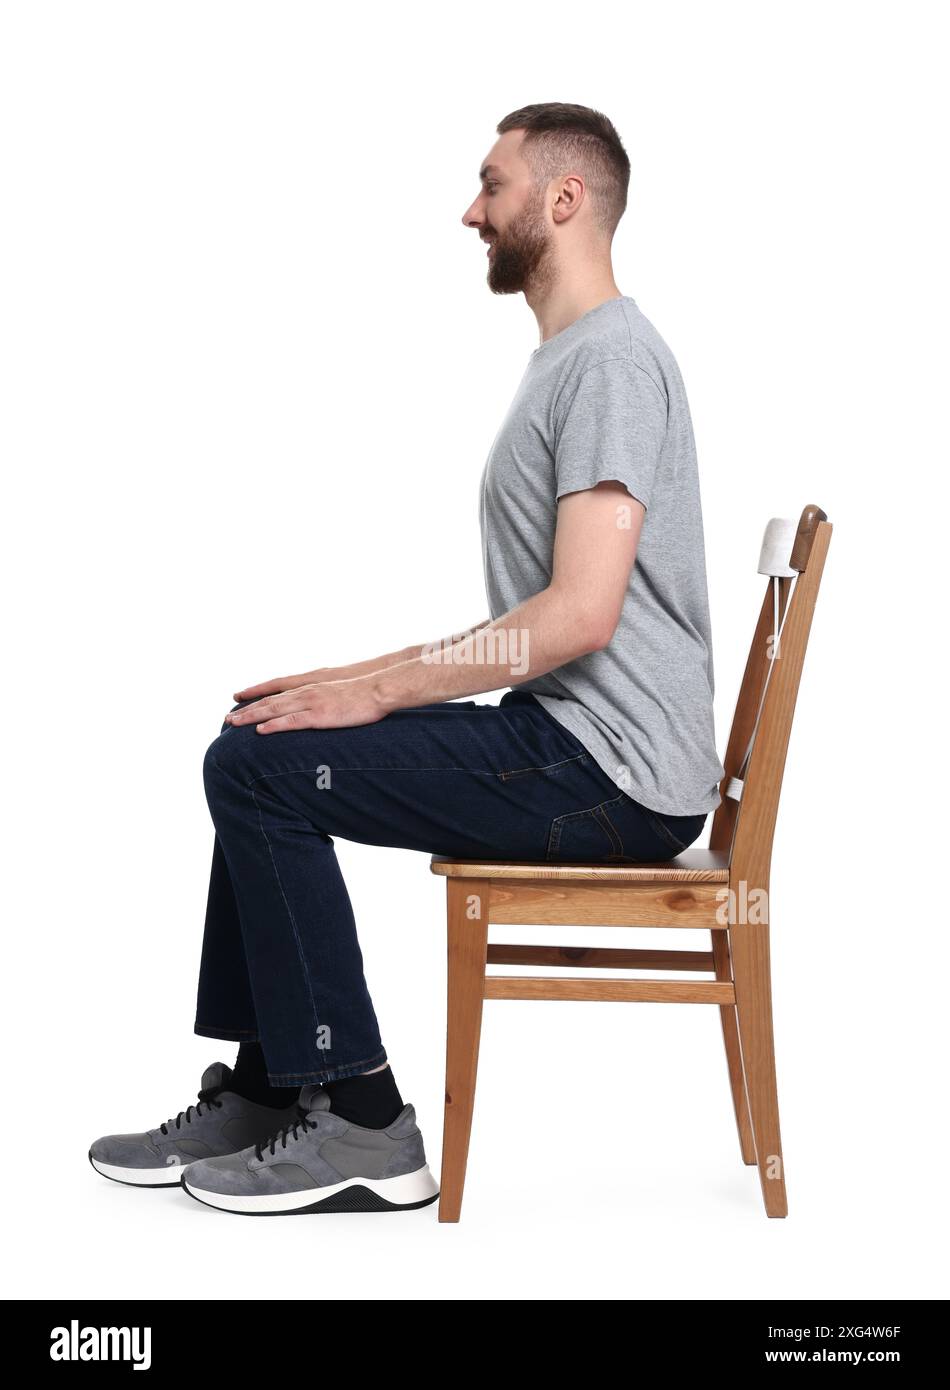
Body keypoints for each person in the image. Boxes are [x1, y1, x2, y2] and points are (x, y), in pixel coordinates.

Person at [89, 102, 725, 1216]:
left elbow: (578, 615)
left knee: (255, 770)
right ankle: (274, 1079)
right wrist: (345, 680)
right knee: (267, 731)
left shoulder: (612, 362)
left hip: (607, 777)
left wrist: (377, 690)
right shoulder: (574, 359)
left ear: (562, 199)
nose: (470, 210)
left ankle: (364, 1116)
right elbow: (544, 613)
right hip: (573, 749)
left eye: (492, 184)